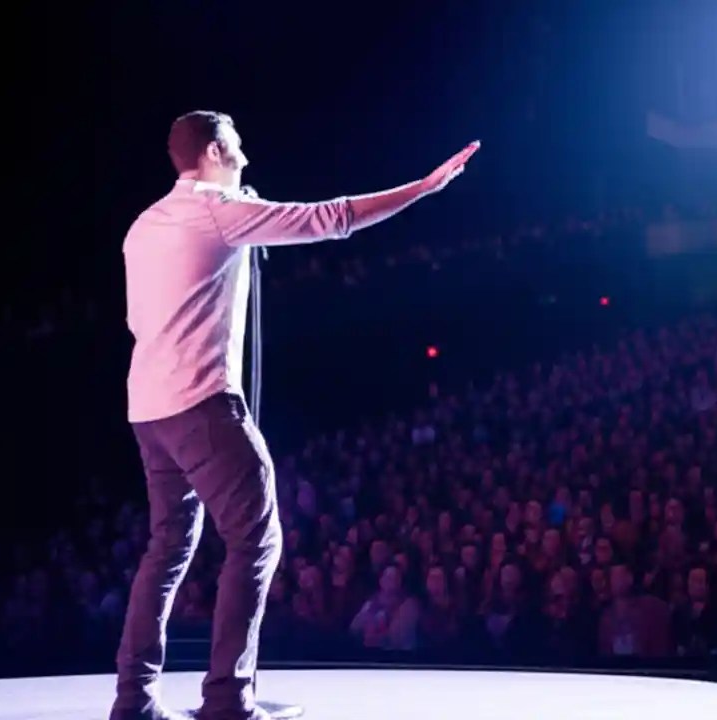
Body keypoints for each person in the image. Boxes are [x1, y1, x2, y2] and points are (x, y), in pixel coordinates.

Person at [112, 110, 478, 720]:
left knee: (168, 547)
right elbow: (328, 218)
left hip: (147, 411)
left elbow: (136, 321)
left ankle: (134, 700)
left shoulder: (143, 226)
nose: (247, 160)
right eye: (238, 149)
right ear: (215, 151)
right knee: (256, 536)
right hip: (201, 403)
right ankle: (228, 699)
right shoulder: (215, 212)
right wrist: (421, 188)